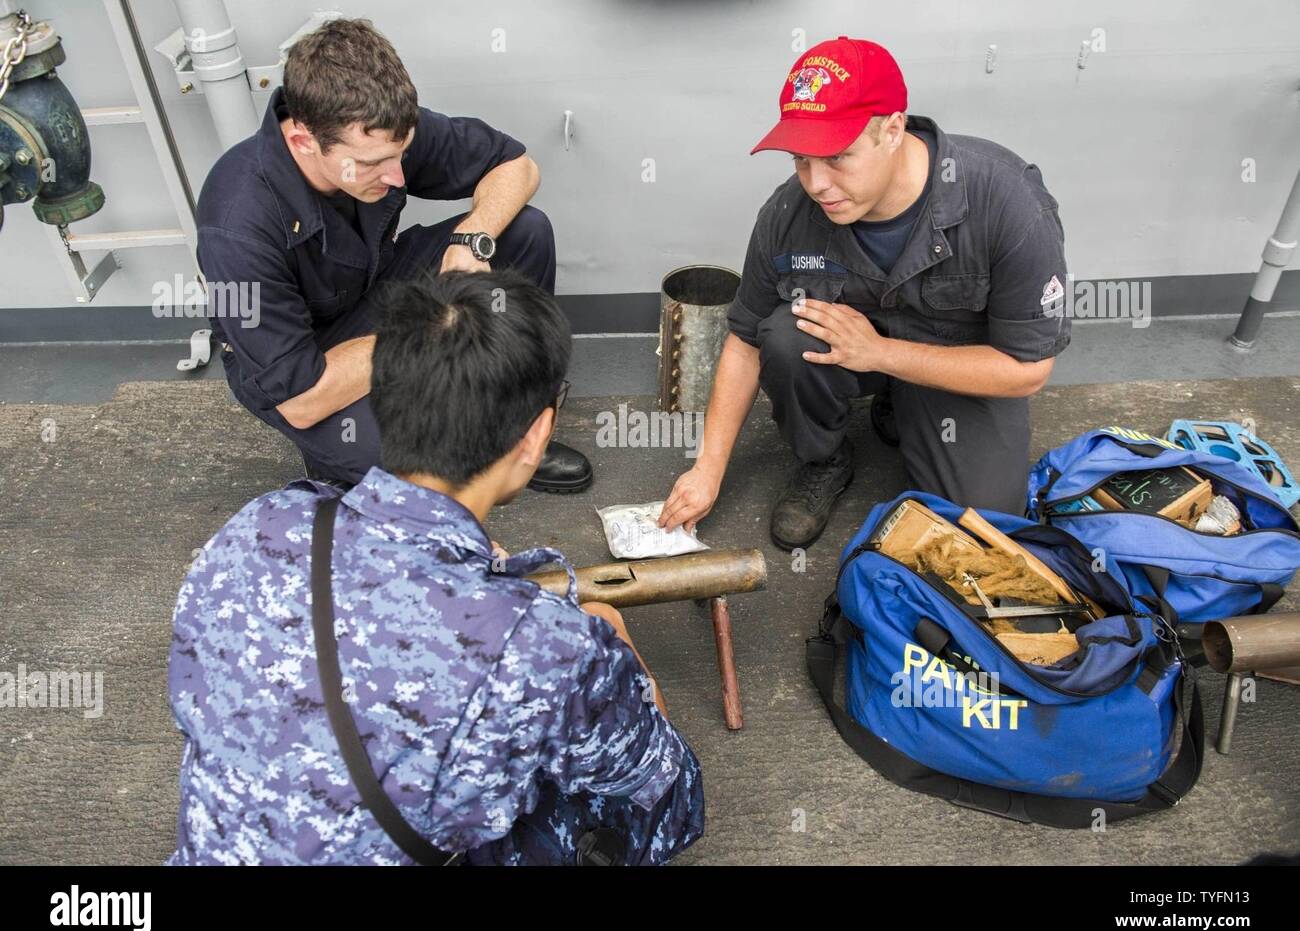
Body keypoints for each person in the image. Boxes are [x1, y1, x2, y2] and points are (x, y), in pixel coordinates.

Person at [168, 269, 703, 865]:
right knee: (649, 789)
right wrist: (625, 666)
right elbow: (661, 780)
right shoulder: (547, 646)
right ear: (537, 435)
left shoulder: (262, 524)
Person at [660, 37, 1070, 549]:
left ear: (893, 129)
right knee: (785, 336)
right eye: (800, 160)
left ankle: (903, 405)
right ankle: (824, 459)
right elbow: (745, 341)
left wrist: (881, 354)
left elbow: (1027, 368)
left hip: (956, 365)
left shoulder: (1006, 202)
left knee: (976, 530)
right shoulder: (787, 214)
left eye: (837, 157)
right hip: (859, 353)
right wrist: (708, 469)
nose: (817, 183)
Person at [197, 17, 591, 492]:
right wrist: (434, 320)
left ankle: (511, 431)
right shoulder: (237, 222)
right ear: (304, 140)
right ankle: (340, 458)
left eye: (399, 153)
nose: (397, 176)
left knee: (524, 232)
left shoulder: (379, 127)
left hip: (373, 289)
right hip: (304, 364)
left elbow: (517, 166)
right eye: (371, 165)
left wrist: (472, 237)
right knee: (417, 460)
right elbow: (301, 396)